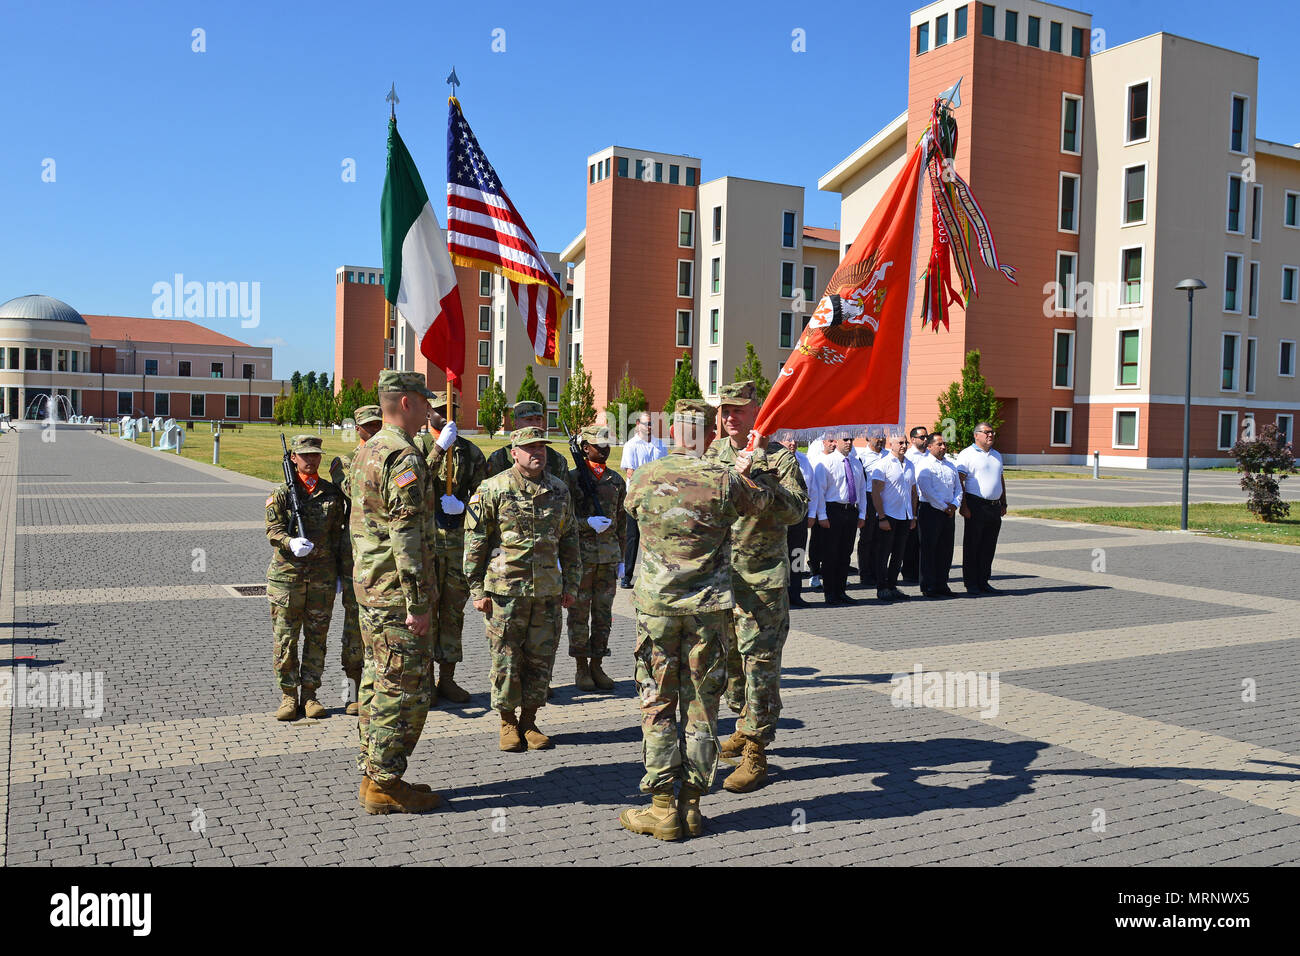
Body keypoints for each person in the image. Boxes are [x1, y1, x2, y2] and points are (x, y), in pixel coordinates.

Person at [620, 399, 771, 841]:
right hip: (708, 612)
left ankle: (662, 807)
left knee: (658, 705)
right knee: (702, 710)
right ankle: (691, 807)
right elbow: (764, 506)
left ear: (671, 433)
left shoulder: (646, 475)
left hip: (658, 610)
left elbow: (631, 511)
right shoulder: (725, 479)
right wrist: (750, 465)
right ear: (710, 435)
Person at [706, 382, 808, 793]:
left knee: (760, 664)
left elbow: (798, 510)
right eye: (725, 410)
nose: (730, 417)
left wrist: (759, 485)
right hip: (720, 578)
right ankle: (742, 726)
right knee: (730, 662)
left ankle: (757, 750)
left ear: (757, 412)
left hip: (762, 580)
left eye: (739, 410)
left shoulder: (779, 458)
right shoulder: (713, 454)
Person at [351, 370, 440, 814]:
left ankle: (374, 775)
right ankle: (385, 780)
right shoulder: (402, 457)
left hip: (371, 589)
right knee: (403, 690)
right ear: (407, 402)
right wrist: (419, 603)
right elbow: (406, 537)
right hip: (396, 596)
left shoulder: (367, 449)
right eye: (424, 400)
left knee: (376, 681)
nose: (429, 408)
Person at [465, 426, 581, 752]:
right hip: (505, 591)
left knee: (540, 659)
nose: (537, 453)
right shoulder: (492, 488)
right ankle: (506, 722)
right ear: (514, 452)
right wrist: (477, 590)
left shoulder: (559, 490)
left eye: (541, 447)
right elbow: (475, 542)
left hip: (546, 592)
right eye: (530, 448)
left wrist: (571, 583)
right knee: (506, 659)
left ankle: (529, 721)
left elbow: (570, 540)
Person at [266, 434, 350, 722]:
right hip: (286, 578)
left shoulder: (332, 493)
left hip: (322, 578)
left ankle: (311, 694)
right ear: (294, 458)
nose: (311, 460)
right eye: (305, 455)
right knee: (286, 639)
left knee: (317, 638)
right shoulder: (281, 493)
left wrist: (340, 573)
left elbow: (339, 535)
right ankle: (289, 696)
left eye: (315, 455)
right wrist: (289, 543)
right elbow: (273, 530)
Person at [413, 390, 488, 705]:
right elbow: (410, 483)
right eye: (442, 409)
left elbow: (484, 495)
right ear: (429, 412)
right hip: (425, 543)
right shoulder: (415, 447)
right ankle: (425, 680)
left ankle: (448, 679)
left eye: (453, 409)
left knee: (452, 612)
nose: (448, 414)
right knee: (426, 610)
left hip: (457, 543)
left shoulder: (469, 452)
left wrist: (465, 506)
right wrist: (439, 448)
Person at [328, 404, 383, 716]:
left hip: (383, 557)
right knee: (354, 627)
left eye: (378, 424)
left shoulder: (392, 457)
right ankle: (352, 690)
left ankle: (379, 688)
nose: (374, 430)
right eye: (368, 426)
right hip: (355, 557)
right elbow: (355, 490)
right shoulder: (345, 461)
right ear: (358, 428)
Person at [565, 424, 627, 692]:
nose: (604, 448)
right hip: (580, 558)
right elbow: (564, 522)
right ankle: (581, 667)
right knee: (579, 615)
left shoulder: (616, 480)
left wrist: (623, 558)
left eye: (606, 443)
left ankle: (597, 664)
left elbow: (622, 523)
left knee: (603, 615)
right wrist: (587, 523)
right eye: (597, 444)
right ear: (585, 448)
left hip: (608, 557)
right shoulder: (572, 479)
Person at [813, 434, 869, 606]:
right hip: (833, 510)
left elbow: (861, 490)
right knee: (831, 554)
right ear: (835, 441)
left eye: (850, 440)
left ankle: (841, 591)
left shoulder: (855, 462)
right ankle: (830, 593)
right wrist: (822, 516)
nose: (848, 443)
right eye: (845, 440)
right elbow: (819, 491)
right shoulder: (826, 463)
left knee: (845, 553)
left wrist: (862, 514)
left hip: (850, 511)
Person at [955, 422, 1007, 594]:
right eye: (987, 432)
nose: (990, 435)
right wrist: (963, 506)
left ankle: (984, 580)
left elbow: (1000, 479)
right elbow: (959, 481)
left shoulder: (997, 455)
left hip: (994, 506)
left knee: (988, 546)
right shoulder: (967, 454)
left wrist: (1003, 502)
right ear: (976, 435)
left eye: (992, 432)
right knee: (973, 545)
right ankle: (971, 583)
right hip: (975, 505)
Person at [870, 435, 918, 602]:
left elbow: (913, 492)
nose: (904, 445)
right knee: (883, 554)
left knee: (899, 554)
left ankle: (892, 585)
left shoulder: (910, 464)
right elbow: (875, 492)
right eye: (900, 443)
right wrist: (881, 517)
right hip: (888, 515)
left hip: (904, 516)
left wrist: (912, 515)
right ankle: (881, 587)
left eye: (906, 443)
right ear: (891, 445)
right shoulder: (883, 464)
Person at [619, 411, 664, 588]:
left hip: (656, 499)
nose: (650, 427)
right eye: (647, 424)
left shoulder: (660, 445)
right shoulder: (631, 445)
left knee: (655, 538)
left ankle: (654, 577)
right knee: (632, 538)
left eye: (652, 424)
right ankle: (626, 576)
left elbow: (664, 468)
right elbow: (630, 471)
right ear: (638, 424)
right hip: (636, 498)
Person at [915, 433, 962, 598]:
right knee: (929, 550)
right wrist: (944, 507)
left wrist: (955, 504)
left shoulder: (951, 465)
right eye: (939, 444)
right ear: (929, 446)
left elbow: (959, 488)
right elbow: (927, 491)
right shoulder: (924, 465)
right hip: (931, 511)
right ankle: (928, 586)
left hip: (948, 512)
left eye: (944, 444)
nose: (943, 447)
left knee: (945, 549)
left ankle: (942, 584)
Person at [778, 431, 819, 609]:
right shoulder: (773, 459)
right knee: (781, 557)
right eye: (788, 439)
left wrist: (812, 514)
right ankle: (781, 596)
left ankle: (795, 593)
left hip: (800, 517)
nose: (793, 443)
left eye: (795, 439)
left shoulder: (803, 459)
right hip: (780, 517)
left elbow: (813, 488)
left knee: (797, 555)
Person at [485, 400, 569, 481]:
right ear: (516, 423)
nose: (535, 424)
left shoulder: (557, 460)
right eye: (529, 419)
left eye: (538, 419)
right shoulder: (499, 458)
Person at [854, 431, 886, 589]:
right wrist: (862, 507)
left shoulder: (888, 455)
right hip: (868, 499)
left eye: (882, 435)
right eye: (876, 436)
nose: (880, 439)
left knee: (881, 538)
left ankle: (878, 571)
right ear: (867, 438)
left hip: (886, 499)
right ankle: (865, 573)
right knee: (867, 537)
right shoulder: (862, 457)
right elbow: (859, 483)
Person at [900, 426, 930, 583]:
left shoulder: (930, 456)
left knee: (924, 538)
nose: (925, 440)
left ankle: (922, 571)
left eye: (927, 437)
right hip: (913, 500)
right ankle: (909, 572)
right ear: (913, 440)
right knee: (911, 539)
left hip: (928, 501)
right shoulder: (908, 456)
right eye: (922, 437)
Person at [806, 436, 835, 591]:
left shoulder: (841, 458)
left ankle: (831, 574)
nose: (833, 444)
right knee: (817, 542)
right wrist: (816, 512)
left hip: (835, 507)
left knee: (833, 544)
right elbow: (816, 489)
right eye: (830, 441)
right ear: (824, 443)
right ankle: (814, 573)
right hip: (819, 506)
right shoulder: (817, 459)